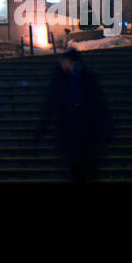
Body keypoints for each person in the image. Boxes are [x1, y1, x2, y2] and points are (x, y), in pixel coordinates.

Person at [36, 48, 113, 181]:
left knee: (82, 171)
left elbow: (50, 106)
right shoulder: (80, 78)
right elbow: (100, 105)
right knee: (82, 171)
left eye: (64, 61)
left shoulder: (68, 80)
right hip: (79, 134)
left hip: (80, 133)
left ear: (68, 61)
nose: (62, 64)